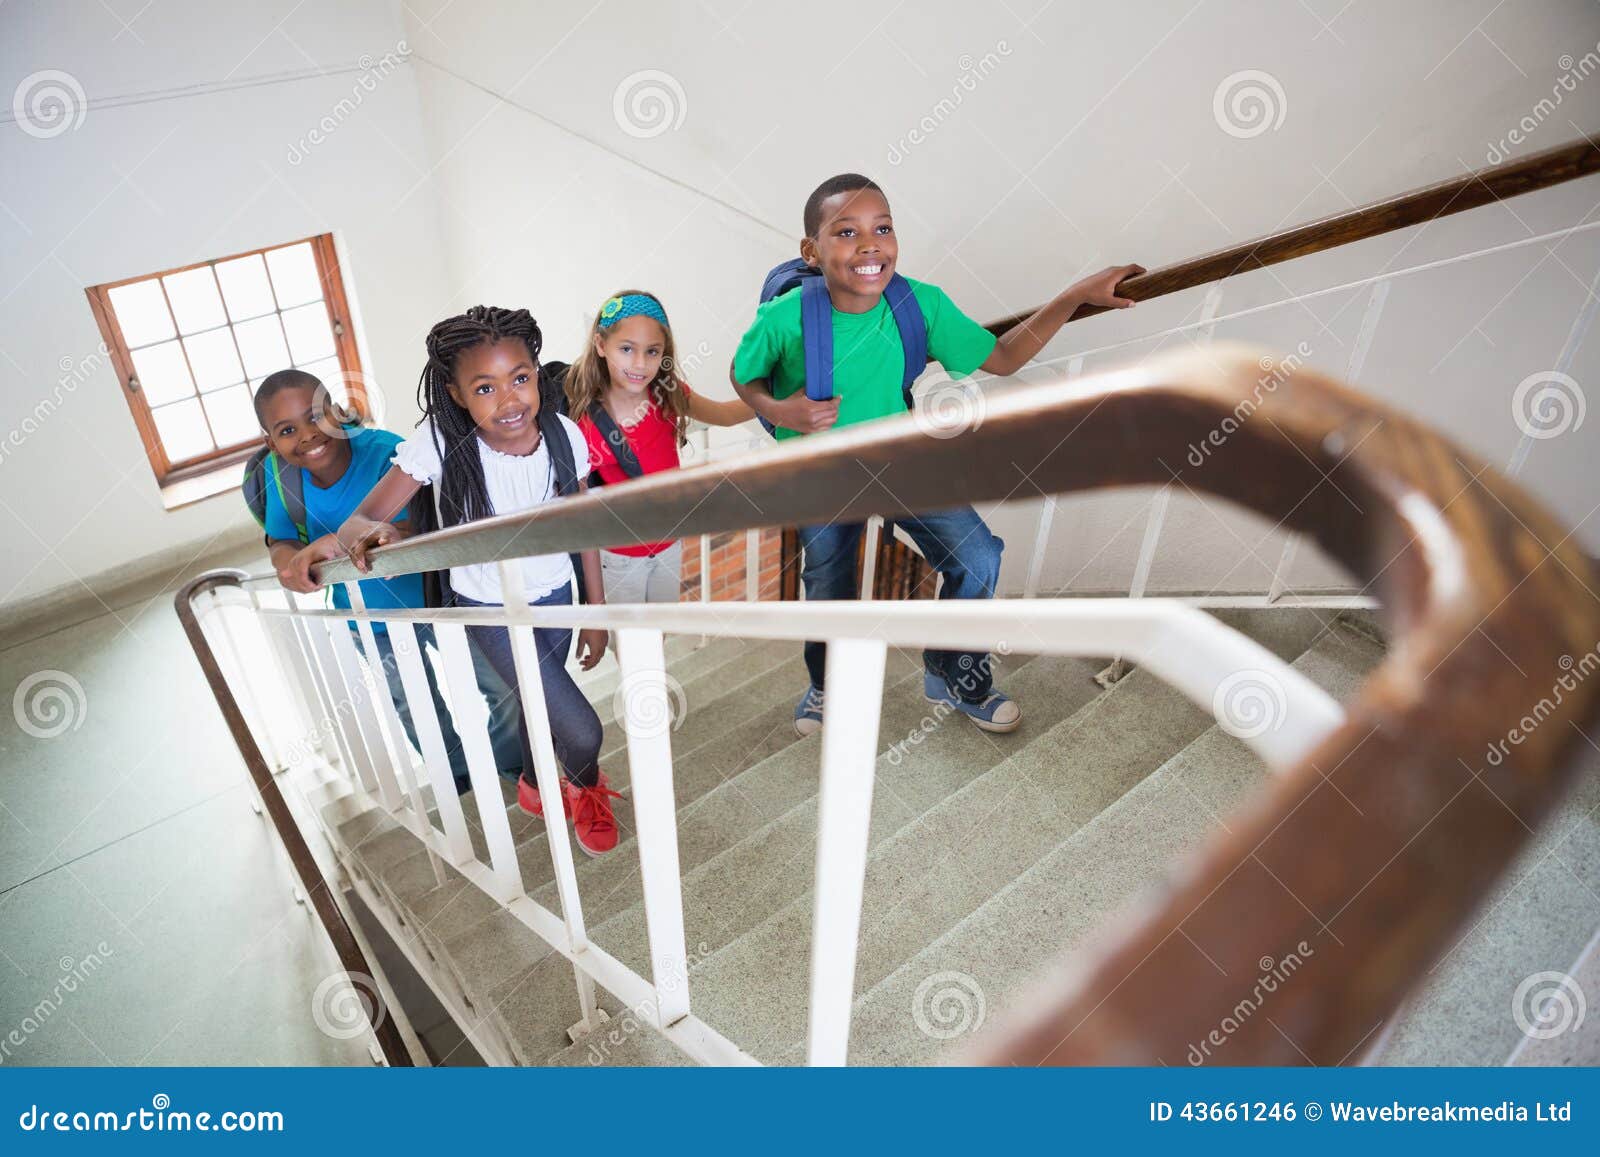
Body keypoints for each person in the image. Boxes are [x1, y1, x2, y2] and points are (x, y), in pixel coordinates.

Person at [730, 173, 1142, 737]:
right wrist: (781, 412)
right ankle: (827, 684)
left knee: (978, 556)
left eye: (883, 228)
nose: (870, 243)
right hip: (820, 471)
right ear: (812, 251)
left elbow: (1002, 357)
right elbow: (743, 375)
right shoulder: (784, 319)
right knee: (828, 581)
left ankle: (951, 669)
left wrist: (1073, 297)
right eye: (846, 232)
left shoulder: (921, 304)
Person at [326, 306, 620, 857]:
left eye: (521, 379)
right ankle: (586, 788)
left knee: (539, 706)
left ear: (536, 373)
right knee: (582, 731)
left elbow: (586, 527)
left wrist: (595, 613)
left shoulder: (562, 435)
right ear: (458, 395)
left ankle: (533, 784)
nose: (509, 400)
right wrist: (374, 533)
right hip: (491, 607)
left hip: (556, 593)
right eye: (485, 388)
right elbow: (357, 522)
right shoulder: (442, 441)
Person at [251, 369, 521, 793]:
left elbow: (436, 520)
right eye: (287, 430)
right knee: (416, 706)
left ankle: (512, 762)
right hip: (373, 620)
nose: (307, 434)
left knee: (501, 683)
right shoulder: (280, 478)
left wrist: (376, 537)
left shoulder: (386, 452)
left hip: (440, 597)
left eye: (316, 415)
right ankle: (458, 779)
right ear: (271, 442)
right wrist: (294, 563)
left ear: (337, 410)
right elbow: (280, 541)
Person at [564, 289, 753, 604]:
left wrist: (780, 404)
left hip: (669, 543)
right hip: (621, 555)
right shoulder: (586, 425)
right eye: (626, 349)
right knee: (634, 641)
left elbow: (724, 414)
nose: (640, 364)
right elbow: (576, 509)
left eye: (652, 351)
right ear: (600, 344)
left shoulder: (667, 392)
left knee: (661, 628)